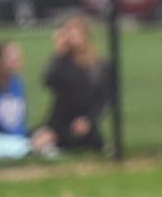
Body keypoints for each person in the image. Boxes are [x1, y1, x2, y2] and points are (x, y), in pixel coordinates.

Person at [30, 15, 110, 156]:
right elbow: (49, 82)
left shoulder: (99, 65)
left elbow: (104, 99)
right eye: (68, 32)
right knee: (37, 139)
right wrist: (59, 53)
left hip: (85, 123)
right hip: (60, 121)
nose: (72, 36)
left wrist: (88, 120)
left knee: (90, 141)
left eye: (76, 32)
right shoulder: (62, 62)